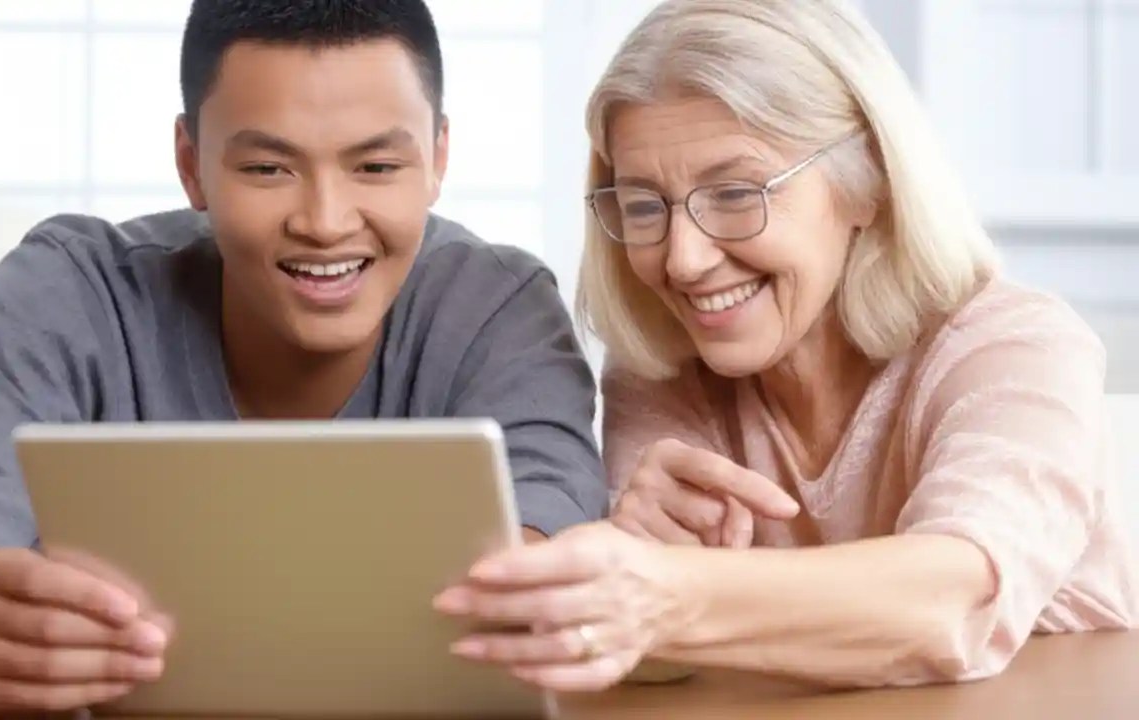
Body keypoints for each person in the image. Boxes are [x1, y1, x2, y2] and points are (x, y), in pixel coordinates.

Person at [0, 0, 608, 712]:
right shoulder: (73, 290)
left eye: (376, 168)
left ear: (438, 156)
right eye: (267, 169)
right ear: (191, 164)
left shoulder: (497, 308)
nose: (325, 222)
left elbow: (559, 522)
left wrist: (533, 590)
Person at [432, 0, 1138, 693]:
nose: (682, 260)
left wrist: (670, 592)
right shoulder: (667, 366)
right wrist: (635, 559)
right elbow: (659, 662)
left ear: (870, 182)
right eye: (644, 205)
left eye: (737, 193)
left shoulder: (1015, 346)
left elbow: (951, 601)